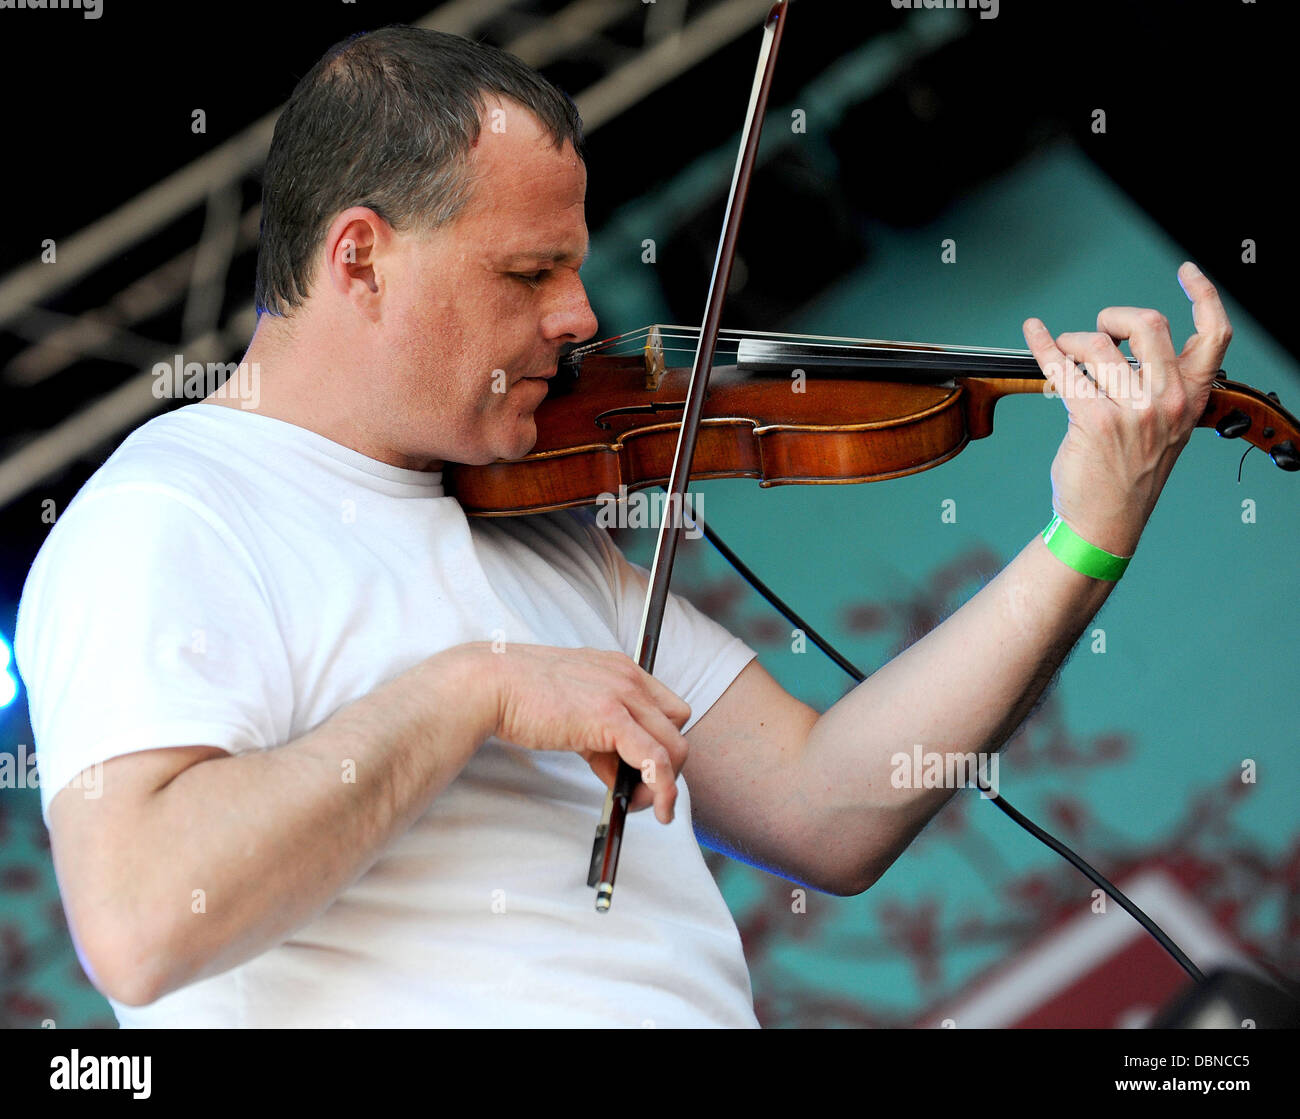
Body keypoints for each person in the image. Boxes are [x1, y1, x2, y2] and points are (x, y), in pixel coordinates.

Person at [15, 25, 1233, 1028]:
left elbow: (826, 806)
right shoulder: (171, 512)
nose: (580, 314)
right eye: (525, 274)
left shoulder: (527, 524)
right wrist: (471, 690)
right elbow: (139, 920)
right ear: (362, 260)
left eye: (574, 269)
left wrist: (1085, 536)